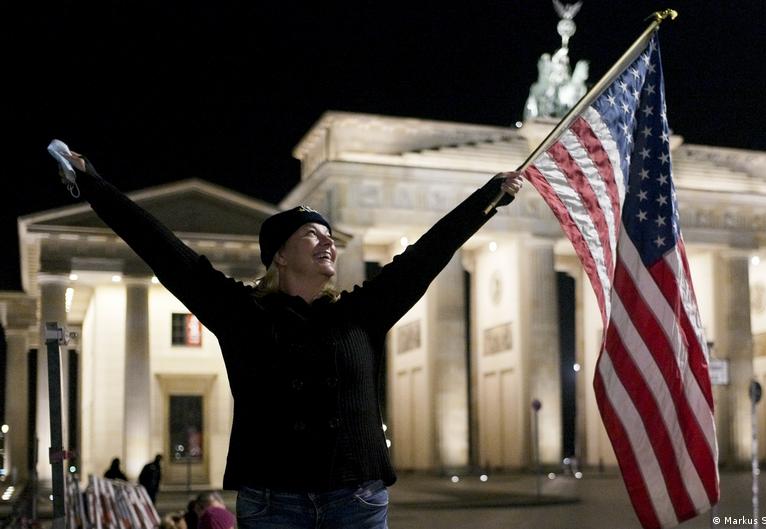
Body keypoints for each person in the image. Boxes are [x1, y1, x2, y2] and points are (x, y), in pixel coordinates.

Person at [53, 145, 523, 529]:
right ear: (279, 256)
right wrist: (93, 183)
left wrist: (489, 197)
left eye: (330, 236)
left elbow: (427, 254)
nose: (328, 243)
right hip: (273, 505)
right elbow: (164, 250)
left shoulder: (361, 313)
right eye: (311, 235)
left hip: (356, 501)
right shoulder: (241, 313)